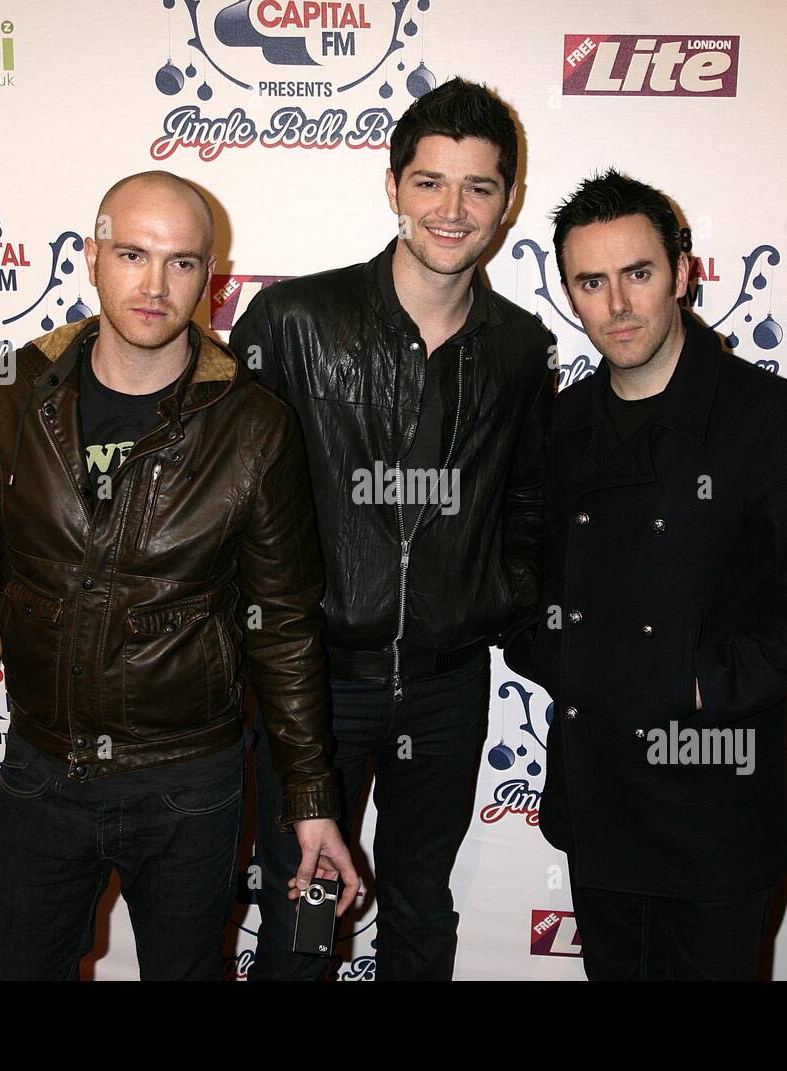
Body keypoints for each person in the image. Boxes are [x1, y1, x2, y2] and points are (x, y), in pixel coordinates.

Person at [0, 170, 356, 980]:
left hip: (189, 783)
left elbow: (284, 627)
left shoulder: (254, 425)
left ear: (210, 282)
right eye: (132, 254)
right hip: (44, 770)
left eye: (182, 263)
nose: (154, 285)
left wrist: (312, 797)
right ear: (91, 257)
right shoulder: (12, 393)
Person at [505, 170, 787, 980]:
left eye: (638, 273)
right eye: (590, 283)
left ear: (683, 272)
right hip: (598, 798)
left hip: (717, 806)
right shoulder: (558, 427)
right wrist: (561, 659)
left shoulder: (768, 417)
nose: (618, 304)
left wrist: (699, 683)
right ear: (568, 293)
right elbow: (513, 582)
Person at [230, 78, 554, 980]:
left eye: (479, 188)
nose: (453, 210)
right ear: (393, 187)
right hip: (316, 683)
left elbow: (528, 503)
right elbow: (233, 498)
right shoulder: (295, 321)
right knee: (298, 904)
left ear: (508, 202)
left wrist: (501, 597)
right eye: (430, 183)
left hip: (451, 686)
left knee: (421, 906)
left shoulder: (523, 350)